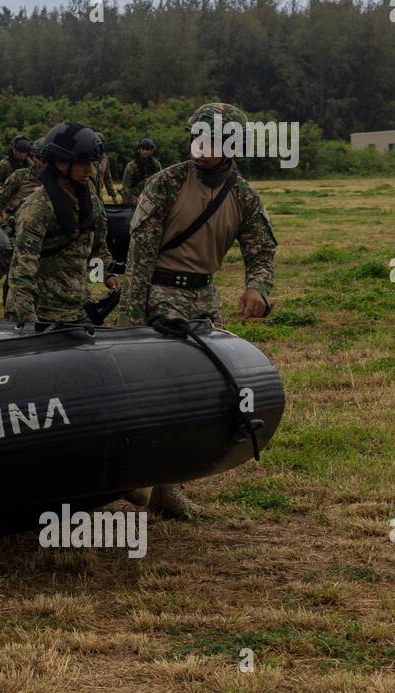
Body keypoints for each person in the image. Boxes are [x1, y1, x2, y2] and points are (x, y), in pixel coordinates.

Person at [118, 101, 278, 518]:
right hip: (159, 296)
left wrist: (257, 287)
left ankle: (168, 485)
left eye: (215, 140)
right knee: (161, 392)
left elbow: (261, 250)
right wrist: (130, 324)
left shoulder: (242, 195)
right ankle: (143, 480)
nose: (203, 148)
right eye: (198, 139)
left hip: (205, 300)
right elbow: (139, 260)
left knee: (209, 395)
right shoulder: (166, 184)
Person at [4, 122, 118, 325]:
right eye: (84, 163)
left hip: (78, 311)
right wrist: (28, 324)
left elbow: (97, 250)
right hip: (43, 314)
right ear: (61, 163)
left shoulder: (91, 204)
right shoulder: (37, 208)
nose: (90, 171)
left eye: (92, 163)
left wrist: (107, 275)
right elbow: (22, 271)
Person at [120, 137, 161, 205]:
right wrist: (125, 204)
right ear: (139, 150)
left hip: (151, 197)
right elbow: (126, 187)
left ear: (151, 151)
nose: (145, 151)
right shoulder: (131, 166)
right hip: (135, 197)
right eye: (143, 149)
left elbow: (160, 183)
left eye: (147, 149)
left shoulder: (156, 165)